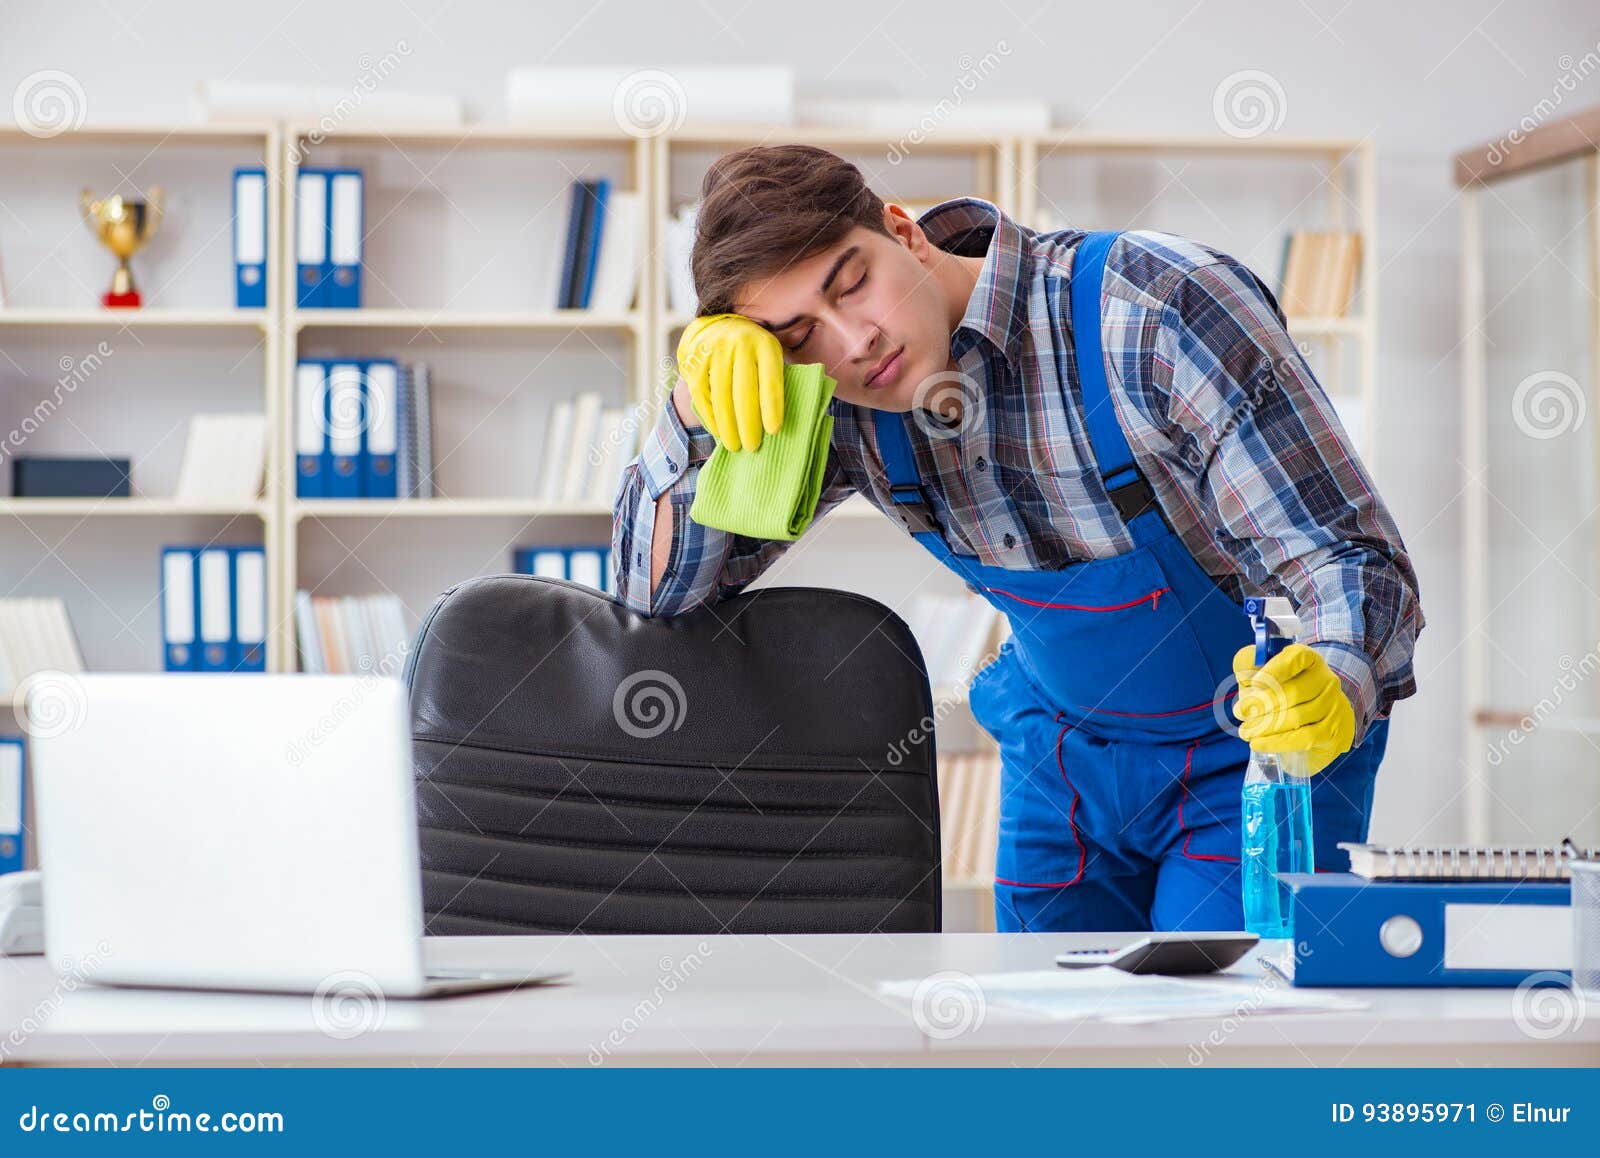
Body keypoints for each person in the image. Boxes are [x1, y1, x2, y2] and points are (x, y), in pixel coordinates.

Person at [612, 144, 1424, 933]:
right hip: (1059, 756)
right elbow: (655, 597)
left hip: (1252, 753)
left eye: (852, 284)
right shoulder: (832, 400)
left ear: (902, 229)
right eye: (796, 335)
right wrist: (691, 415)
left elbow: (1345, 558)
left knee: (1219, 1033)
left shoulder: (1156, 308)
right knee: (1045, 1042)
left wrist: (1335, 673)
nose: (852, 341)